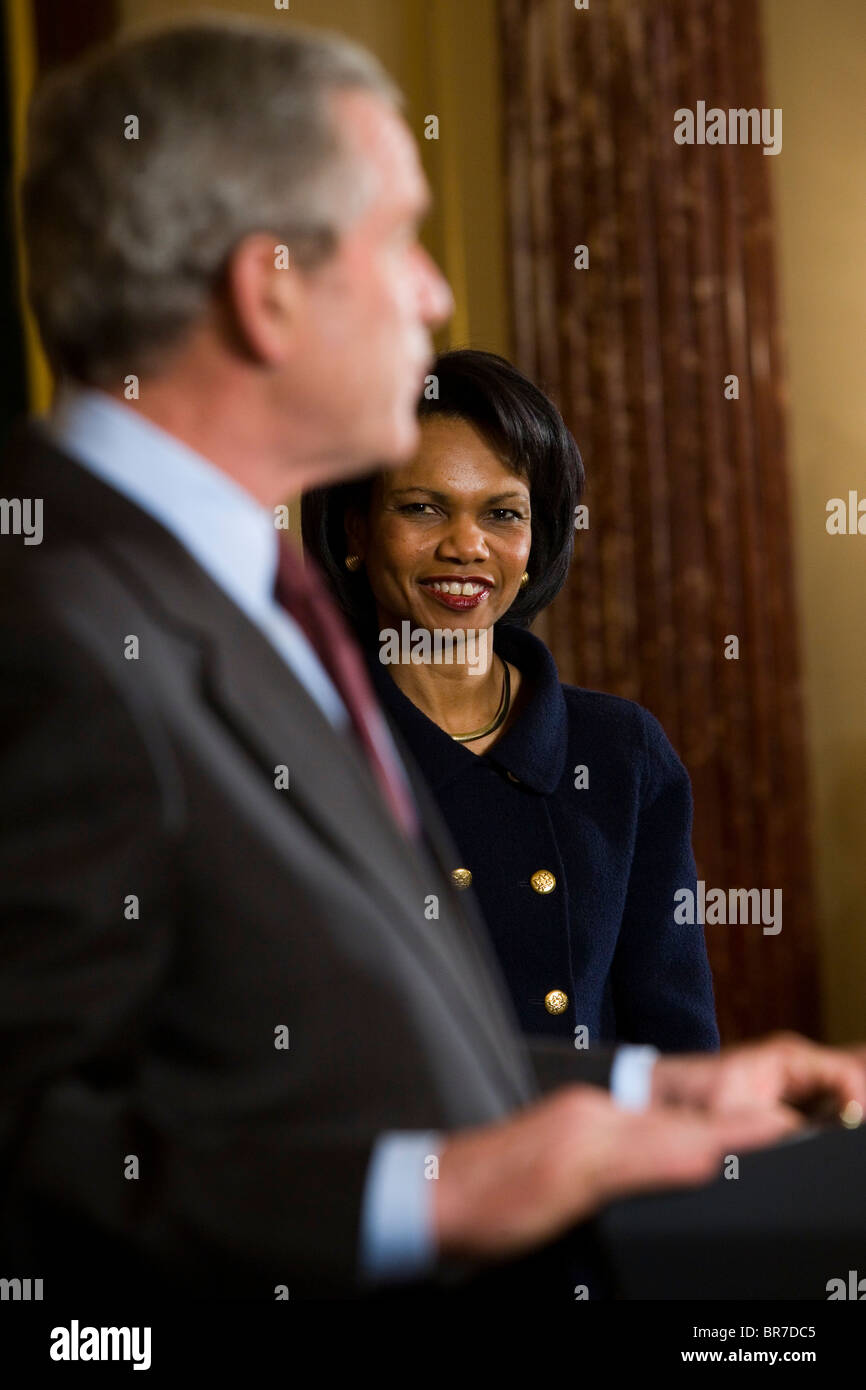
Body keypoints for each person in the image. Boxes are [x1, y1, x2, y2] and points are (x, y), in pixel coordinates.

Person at [1, 15, 864, 1303]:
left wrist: (645, 1082)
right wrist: (432, 1196)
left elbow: (310, 1052)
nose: (435, 293)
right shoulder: (44, 615)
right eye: (400, 238)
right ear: (269, 283)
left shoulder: (241, 605)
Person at [303, 348, 718, 1053]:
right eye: (422, 508)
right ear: (355, 532)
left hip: (594, 1160)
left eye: (501, 513)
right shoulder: (306, 745)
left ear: (535, 541)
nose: (467, 545)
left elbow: (675, 1053)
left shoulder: (621, 752)